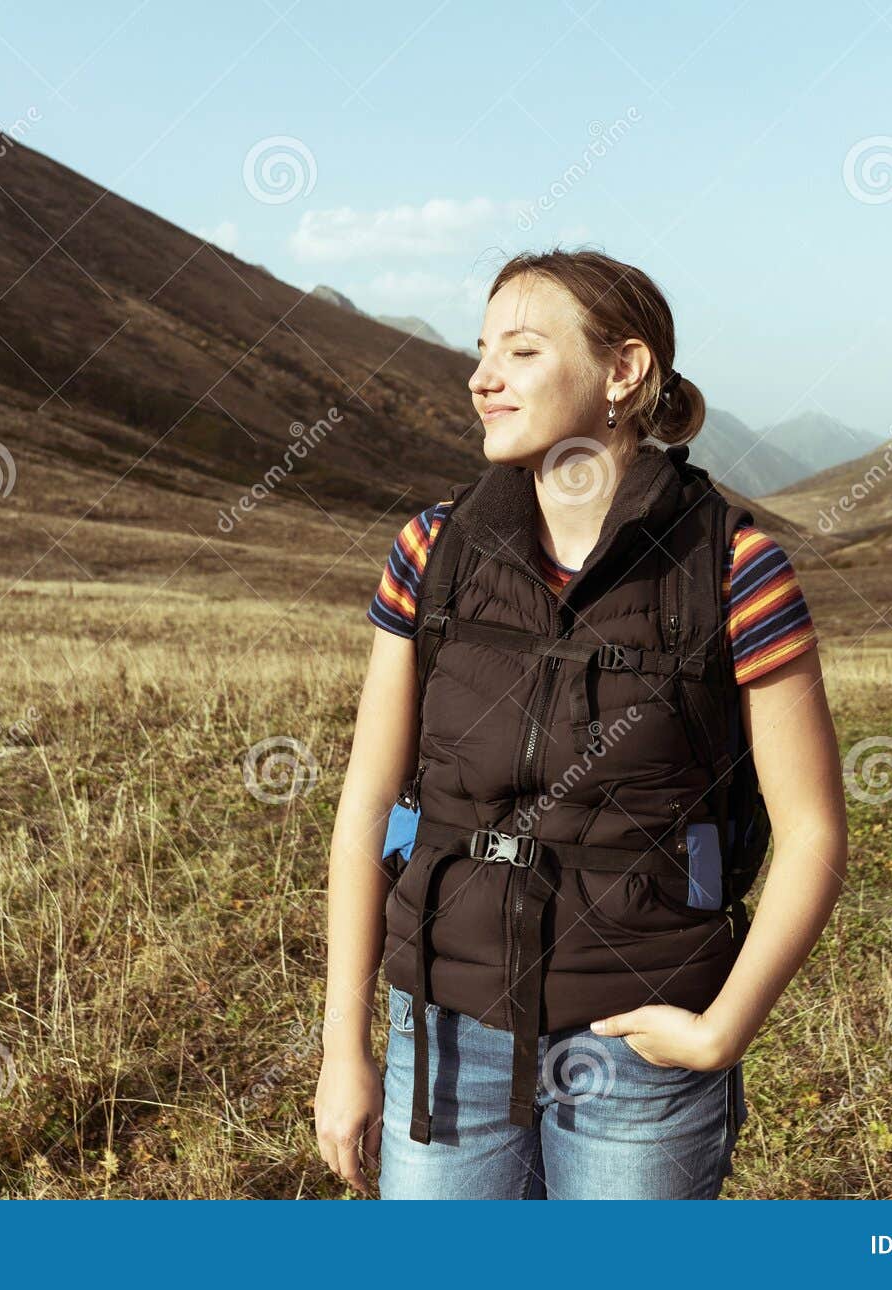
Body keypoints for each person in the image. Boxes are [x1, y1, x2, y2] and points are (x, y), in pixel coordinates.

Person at [314, 249, 848, 1199]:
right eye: (482, 351)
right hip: (442, 1031)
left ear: (623, 371)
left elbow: (812, 831)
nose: (481, 378)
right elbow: (366, 809)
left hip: (641, 1052)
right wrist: (341, 1050)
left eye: (520, 352)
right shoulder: (430, 551)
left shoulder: (736, 569)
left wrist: (723, 1030)